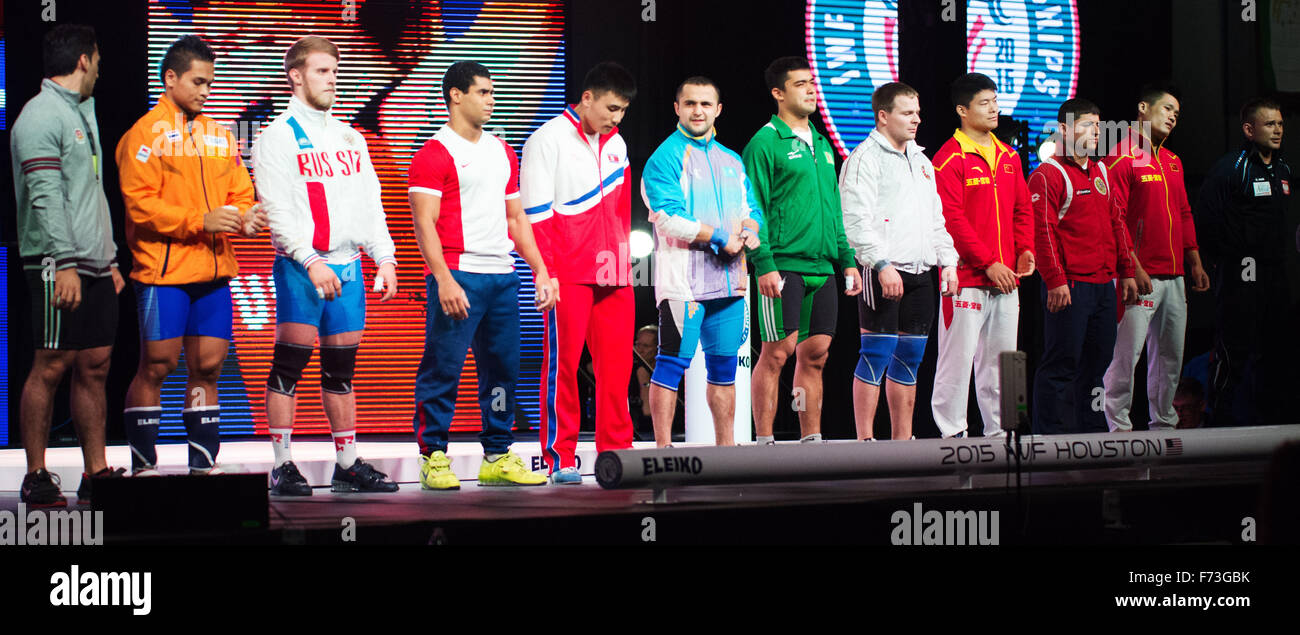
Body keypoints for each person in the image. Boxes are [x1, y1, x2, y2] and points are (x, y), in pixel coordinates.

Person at [251, 36, 400, 495]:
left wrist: (387, 256)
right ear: (295, 76)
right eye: (321, 71)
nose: (331, 80)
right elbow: (275, 211)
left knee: (341, 371)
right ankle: (281, 465)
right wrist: (312, 261)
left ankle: (347, 464)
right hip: (302, 268)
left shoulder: (350, 137)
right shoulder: (275, 138)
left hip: (350, 267)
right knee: (288, 366)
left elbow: (370, 204)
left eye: (334, 71)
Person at [115, 34, 267, 477]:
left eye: (210, 82)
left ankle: (203, 464)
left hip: (214, 274)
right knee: (157, 367)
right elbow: (140, 204)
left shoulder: (219, 136)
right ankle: (143, 465)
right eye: (198, 82)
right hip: (162, 276)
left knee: (208, 366)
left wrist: (245, 217)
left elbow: (239, 192)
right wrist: (201, 220)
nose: (206, 90)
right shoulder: (143, 137)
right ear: (171, 78)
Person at [408, 61, 556, 489]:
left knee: (503, 371)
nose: (492, 100)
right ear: (456, 95)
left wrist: (541, 269)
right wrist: (443, 279)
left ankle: (497, 453)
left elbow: (516, 220)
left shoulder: (501, 150)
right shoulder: (434, 154)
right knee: (443, 369)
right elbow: (424, 225)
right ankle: (433, 455)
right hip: (458, 273)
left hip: (502, 278)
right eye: (484, 92)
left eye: (493, 93)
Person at [11, 24, 125, 506]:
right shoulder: (40, 116)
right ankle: (36, 473)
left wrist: (110, 259)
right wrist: (65, 262)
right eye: (96, 58)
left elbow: (87, 196)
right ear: (83, 60)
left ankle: (95, 471)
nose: (100, 67)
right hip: (57, 263)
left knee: (95, 366)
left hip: (95, 262)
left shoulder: (81, 112)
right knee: (51, 364)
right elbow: (46, 198)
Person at [521, 62, 637, 483]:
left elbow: (621, 211)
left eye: (622, 111)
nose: (616, 118)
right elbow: (534, 215)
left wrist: (622, 266)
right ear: (586, 98)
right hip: (567, 271)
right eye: (611, 108)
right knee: (563, 367)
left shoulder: (617, 144)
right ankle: (560, 458)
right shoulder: (546, 140)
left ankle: (617, 454)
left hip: (613, 273)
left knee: (617, 368)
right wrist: (544, 272)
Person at [743, 56, 862, 445]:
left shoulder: (824, 146)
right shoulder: (764, 143)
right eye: (800, 84)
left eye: (812, 83)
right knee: (777, 354)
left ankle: (810, 439)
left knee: (816, 356)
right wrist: (763, 264)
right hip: (783, 265)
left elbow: (834, 208)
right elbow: (751, 208)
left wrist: (847, 261)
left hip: (823, 267)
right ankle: (765, 440)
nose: (811, 90)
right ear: (778, 93)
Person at [641, 76, 763, 447]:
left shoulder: (732, 159)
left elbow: (751, 208)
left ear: (718, 110)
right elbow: (667, 216)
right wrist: (722, 237)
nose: (698, 111)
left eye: (706, 104)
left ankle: (725, 452)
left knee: (724, 372)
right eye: (690, 104)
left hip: (729, 284)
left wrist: (750, 232)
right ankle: (662, 452)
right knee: (670, 367)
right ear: (677, 108)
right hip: (684, 286)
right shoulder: (664, 157)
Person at [839, 81, 958, 441]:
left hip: (922, 273)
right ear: (882, 116)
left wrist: (948, 261)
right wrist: (880, 264)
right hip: (883, 271)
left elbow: (935, 219)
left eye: (918, 112)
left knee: (910, 358)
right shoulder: (863, 159)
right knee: (876, 354)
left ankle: (901, 443)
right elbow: (854, 220)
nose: (916, 119)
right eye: (907, 113)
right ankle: (864, 441)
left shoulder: (921, 161)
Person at [931, 73, 1035, 438]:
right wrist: (989, 262)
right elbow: (952, 220)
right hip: (966, 279)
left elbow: (1022, 208)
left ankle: (1005, 433)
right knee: (957, 362)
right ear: (963, 110)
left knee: (1007, 362)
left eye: (995, 101)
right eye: (984, 103)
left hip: (1006, 279)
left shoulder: (1008, 155)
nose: (994, 108)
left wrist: (1024, 250)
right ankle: (952, 433)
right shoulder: (948, 159)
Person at [1102, 83, 1210, 432]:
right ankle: (1118, 427)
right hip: (1137, 277)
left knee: (1170, 360)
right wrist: (1133, 265)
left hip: (1174, 276)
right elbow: (1113, 216)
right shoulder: (1121, 156)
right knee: (1126, 356)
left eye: (1177, 113)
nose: (1173, 117)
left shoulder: (1173, 162)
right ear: (1143, 108)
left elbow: (1184, 211)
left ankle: (1163, 424)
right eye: (1167, 109)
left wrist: (1194, 261)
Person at [1029, 98, 1139, 434]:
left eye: (1098, 125)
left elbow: (1117, 223)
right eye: (1087, 125)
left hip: (1105, 286)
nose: (1095, 132)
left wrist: (1128, 272)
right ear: (1063, 129)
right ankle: (1049, 438)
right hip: (1071, 286)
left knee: (1097, 366)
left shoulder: (1102, 170)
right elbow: (1043, 232)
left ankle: (1092, 433)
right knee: (1061, 364)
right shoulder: (1048, 174)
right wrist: (1055, 280)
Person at [1196, 97, 1291, 427]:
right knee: (1233, 347)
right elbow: (1205, 218)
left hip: (1275, 276)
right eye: (1270, 124)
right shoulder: (1231, 168)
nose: (1278, 129)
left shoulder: (1283, 170)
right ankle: (1217, 419)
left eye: (1280, 123)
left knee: (1276, 349)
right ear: (1249, 130)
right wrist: (1228, 258)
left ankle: (1272, 422)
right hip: (1240, 274)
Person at [630, 325, 658, 435]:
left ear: (657, 348)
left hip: (650, 433)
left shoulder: (663, 375)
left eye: (646, 346)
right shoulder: (629, 368)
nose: (640, 350)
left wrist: (644, 378)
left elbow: (647, 413)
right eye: (637, 344)